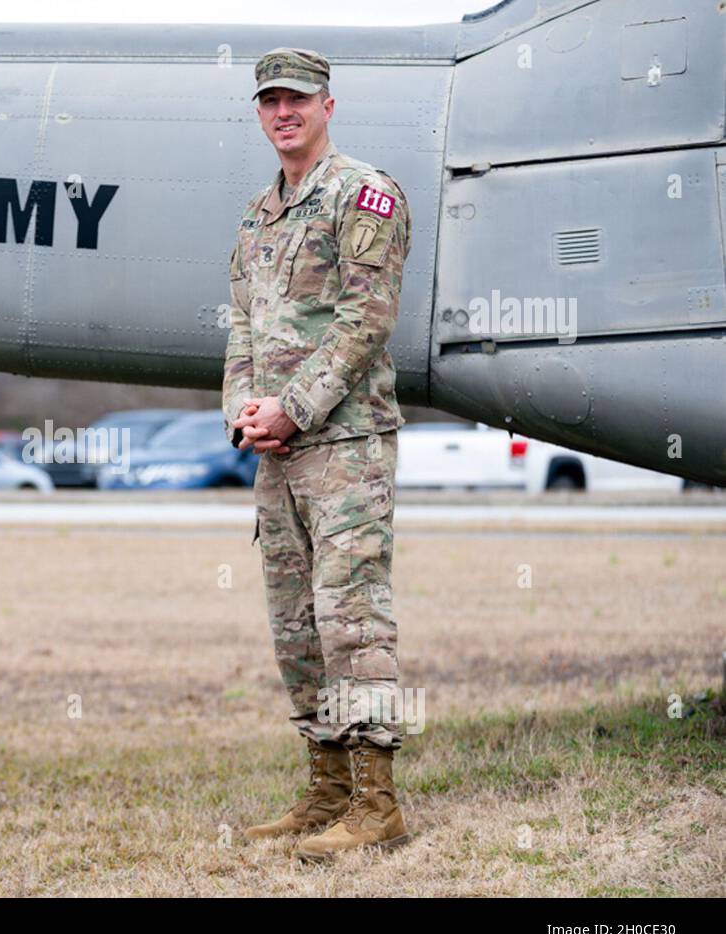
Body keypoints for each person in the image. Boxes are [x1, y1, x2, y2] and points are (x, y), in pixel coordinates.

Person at [223, 47, 413, 861]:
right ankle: (327, 790)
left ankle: (377, 805)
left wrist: (293, 410)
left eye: (296, 98)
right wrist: (244, 413)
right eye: (269, 101)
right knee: (296, 626)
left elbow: (367, 322)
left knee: (352, 621)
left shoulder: (364, 195)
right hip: (277, 455)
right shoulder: (260, 213)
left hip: (345, 447)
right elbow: (241, 327)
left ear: (327, 104)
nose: (282, 112)